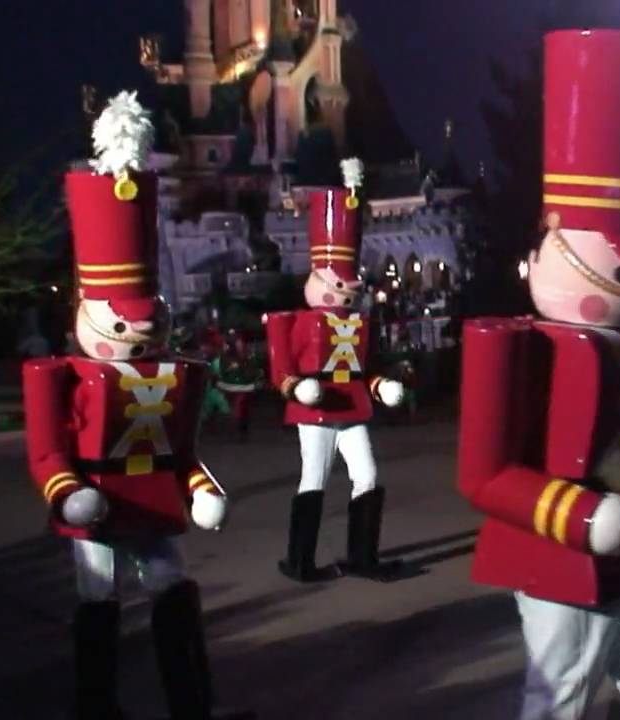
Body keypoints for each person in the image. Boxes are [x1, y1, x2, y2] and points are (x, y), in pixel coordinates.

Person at [457, 22, 620, 718]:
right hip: (558, 549)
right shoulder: (515, 346)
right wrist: (573, 515)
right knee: (560, 692)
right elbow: (482, 476)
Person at [21, 92, 247, 719]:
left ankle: (191, 705)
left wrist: (201, 487)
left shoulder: (175, 372)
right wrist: (67, 491)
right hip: (96, 499)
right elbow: (47, 451)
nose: (140, 336)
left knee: (174, 590)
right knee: (99, 597)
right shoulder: (62, 374)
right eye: (126, 324)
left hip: (152, 501)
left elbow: (179, 448)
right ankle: (97, 710)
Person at [264, 158, 409, 583]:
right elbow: (282, 370)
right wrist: (297, 388)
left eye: (349, 284)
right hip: (317, 407)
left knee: (367, 473)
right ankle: (301, 559)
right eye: (335, 282)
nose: (344, 292)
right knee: (315, 475)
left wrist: (381, 385)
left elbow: (366, 367)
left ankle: (363, 555)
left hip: (353, 403)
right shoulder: (298, 321)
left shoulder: (360, 324)